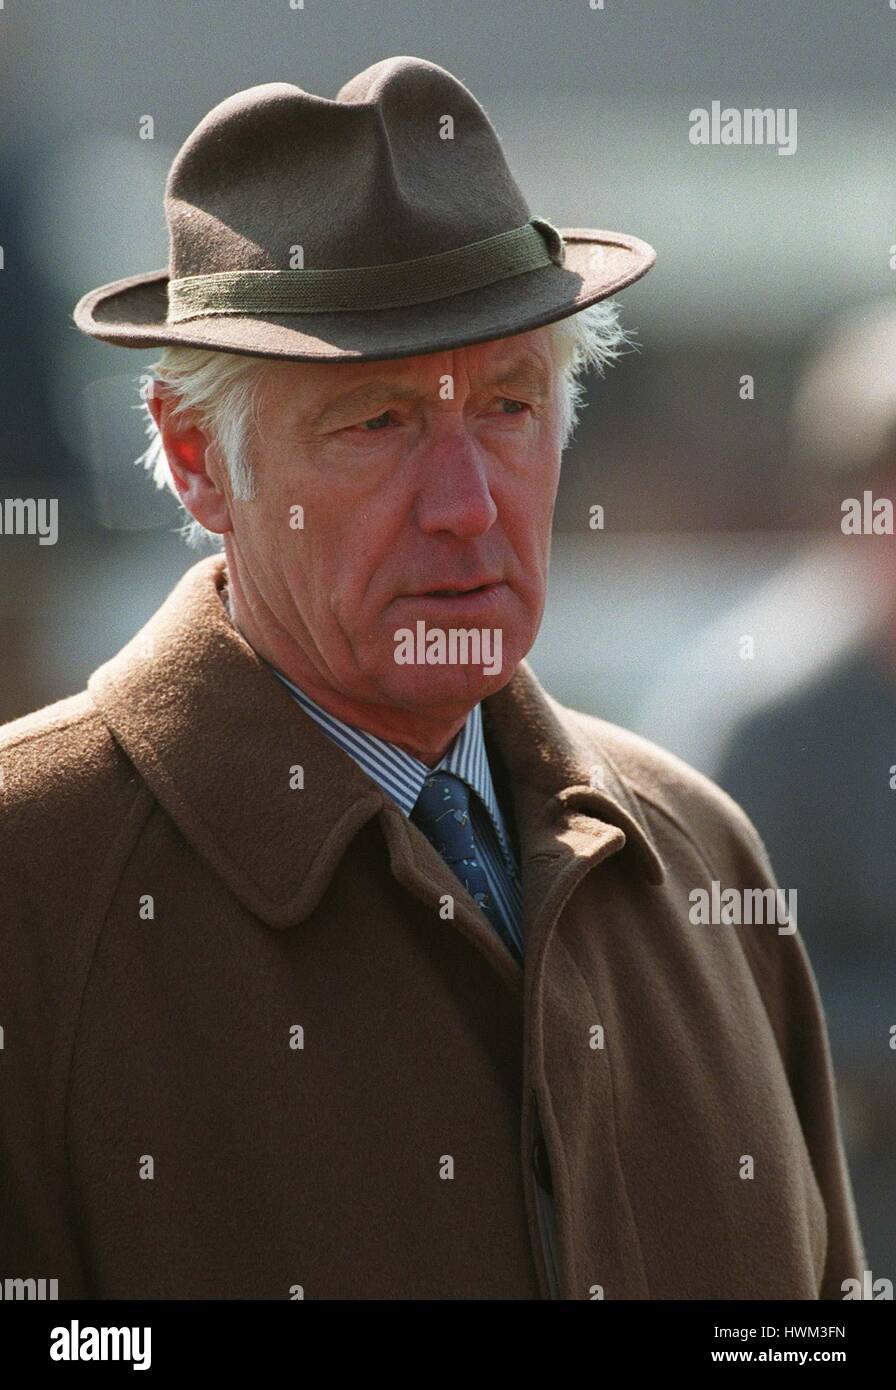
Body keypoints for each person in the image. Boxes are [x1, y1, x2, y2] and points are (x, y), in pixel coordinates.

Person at [0, 56, 864, 1300]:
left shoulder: (697, 858)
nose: (467, 508)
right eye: (377, 422)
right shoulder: (36, 889)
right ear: (196, 460)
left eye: (511, 405)